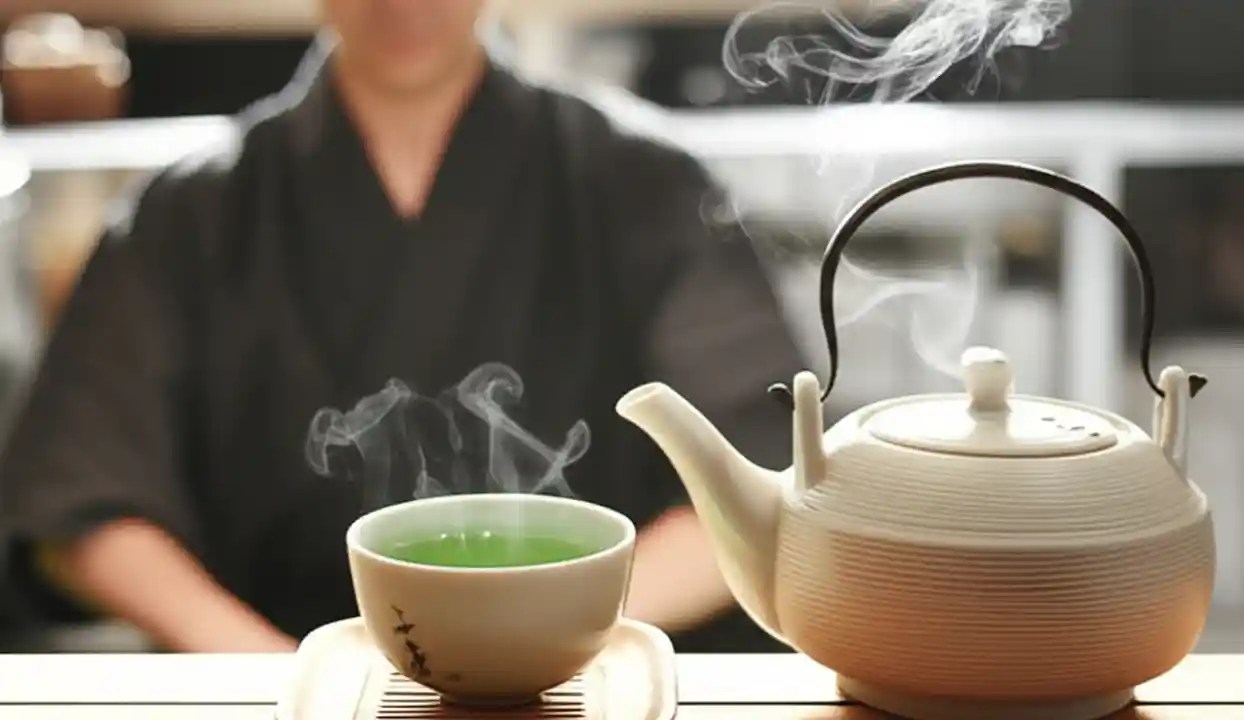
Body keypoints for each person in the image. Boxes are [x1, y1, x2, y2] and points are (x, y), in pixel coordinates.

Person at [0, 0, 802, 653]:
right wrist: (284, 676)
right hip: (275, 672)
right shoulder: (190, 210)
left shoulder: (640, 179)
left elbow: (757, 479)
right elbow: (83, 500)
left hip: (591, 667)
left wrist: (560, 631)